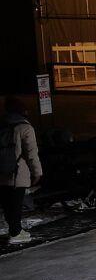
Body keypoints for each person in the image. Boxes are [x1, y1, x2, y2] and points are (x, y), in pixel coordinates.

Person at [1, 96, 42, 246]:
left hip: (2, 172)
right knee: (16, 204)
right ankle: (16, 232)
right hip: (17, 173)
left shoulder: (2, 124)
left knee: (7, 204)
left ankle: (14, 230)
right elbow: (32, 154)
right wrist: (37, 172)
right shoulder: (25, 127)